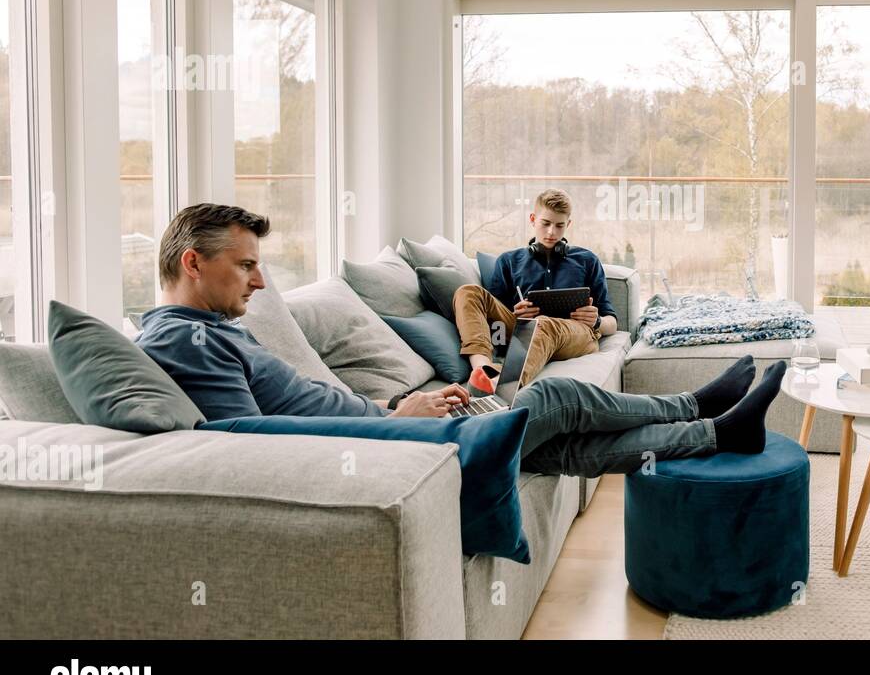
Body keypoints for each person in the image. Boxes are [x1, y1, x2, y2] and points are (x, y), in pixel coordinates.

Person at [134, 203, 781, 477]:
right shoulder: (186, 344)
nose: (260, 279)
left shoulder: (208, 332)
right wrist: (396, 420)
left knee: (564, 452)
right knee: (555, 406)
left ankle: (720, 432)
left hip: (397, 429)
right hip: (398, 452)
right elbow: (250, 448)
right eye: (245, 265)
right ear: (193, 263)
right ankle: (695, 408)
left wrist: (395, 409)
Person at [454, 188, 614, 392]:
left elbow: (613, 323)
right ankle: (482, 370)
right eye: (545, 223)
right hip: (523, 330)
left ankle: (503, 385)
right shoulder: (508, 261)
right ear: (532, 219)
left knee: (543, 323)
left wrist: (598, 321)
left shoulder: (587, 260)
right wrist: (514, 314)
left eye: (559, 226)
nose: (551, 232)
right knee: (468, 292)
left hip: (574, 334)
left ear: (568, 225)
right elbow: (494, 325)